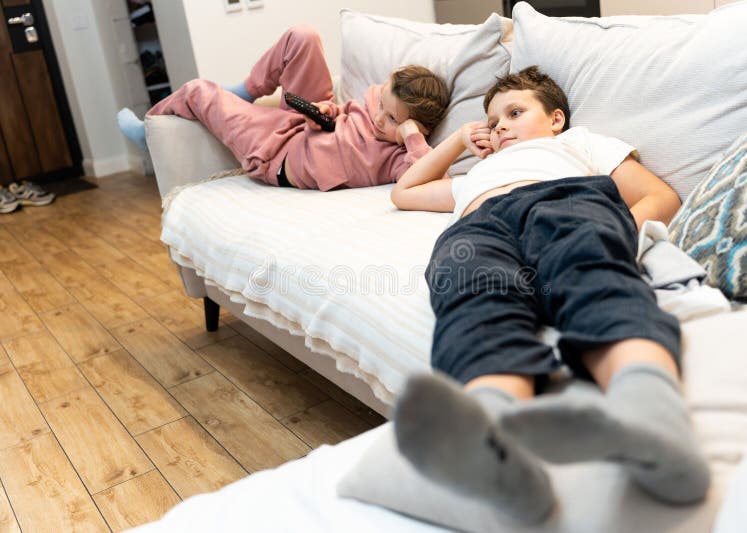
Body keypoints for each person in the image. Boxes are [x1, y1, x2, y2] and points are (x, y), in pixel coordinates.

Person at [389, 66, 710, 524]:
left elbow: (660, 196)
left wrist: (614, 235)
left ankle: (653, 415)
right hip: (479, 226)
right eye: (492, 122)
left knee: (593, 279)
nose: (500, 127)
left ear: (556, 119)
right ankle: (496, 446)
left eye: (514, 113)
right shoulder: (479, 172)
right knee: (472, 299)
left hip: (563, 201)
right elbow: (404, 192)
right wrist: (459, 140)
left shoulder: (577, 143)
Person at [117, 25, 450, 191]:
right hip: (308, 124)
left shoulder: (398, 159)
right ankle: (247, 91)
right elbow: (349, 114)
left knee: (198, 90)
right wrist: (328, 112)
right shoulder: (382, 103)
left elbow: (433, 179)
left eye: (391, 118)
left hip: (276, 151)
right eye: (382, 105)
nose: (378, 118)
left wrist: (411, 138)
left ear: (417, 128)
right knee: (302, 37)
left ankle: (148, 132)